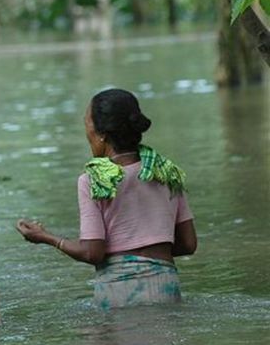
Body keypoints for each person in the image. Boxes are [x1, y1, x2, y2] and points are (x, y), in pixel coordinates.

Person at [16, 88, 197, 309]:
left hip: (118, 292)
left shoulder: (94, 180)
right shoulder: (167, 172)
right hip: (165, 287)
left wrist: (46, 237)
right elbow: (188, 244)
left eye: (87, 124)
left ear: (102, 134)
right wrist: (151, 254)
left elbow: (93, 252)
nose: (86, 132)